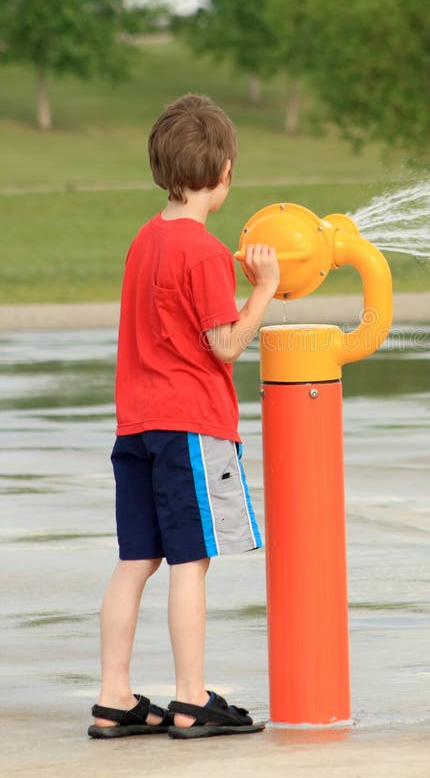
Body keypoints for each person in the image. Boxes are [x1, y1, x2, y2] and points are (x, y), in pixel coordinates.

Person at [88, 94, 279, 740]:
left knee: (135, 560)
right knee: (190, 562)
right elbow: (223, 343)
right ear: (224, 170)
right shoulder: (201, 251)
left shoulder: (145, 240)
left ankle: (114, 695)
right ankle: (191, 697)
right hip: (190, 427)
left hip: (135, 426)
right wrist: (264, 292)